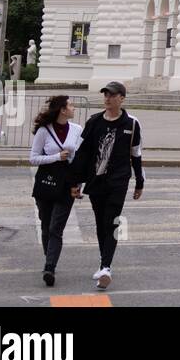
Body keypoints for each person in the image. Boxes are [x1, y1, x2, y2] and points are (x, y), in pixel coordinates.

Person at [68, 82, 144, 290]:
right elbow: (81, 153)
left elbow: (136, 154)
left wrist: (139, 182)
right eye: (106, 95)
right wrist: (76, 181)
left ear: (122, 98)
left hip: (118, 182)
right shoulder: (94, 122)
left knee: (111, 223)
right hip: (96, 181)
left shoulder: (132, 124)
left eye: (112, 95)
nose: (107, 98)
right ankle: (104, 263)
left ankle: (106, 267)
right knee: (101, 223)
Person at [29, 95, 83, 287]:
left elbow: (79, 161)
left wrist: (79, 185)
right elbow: (33, 158)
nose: (73, 107)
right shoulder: (44, 131)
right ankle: (49, 258)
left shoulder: (77, 130)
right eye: (70, 105)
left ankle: (50, 267)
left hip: (67, 184)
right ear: (62, 109)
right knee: (45, 225)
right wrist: (56, 157)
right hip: (46, 182)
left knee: (55, 228)